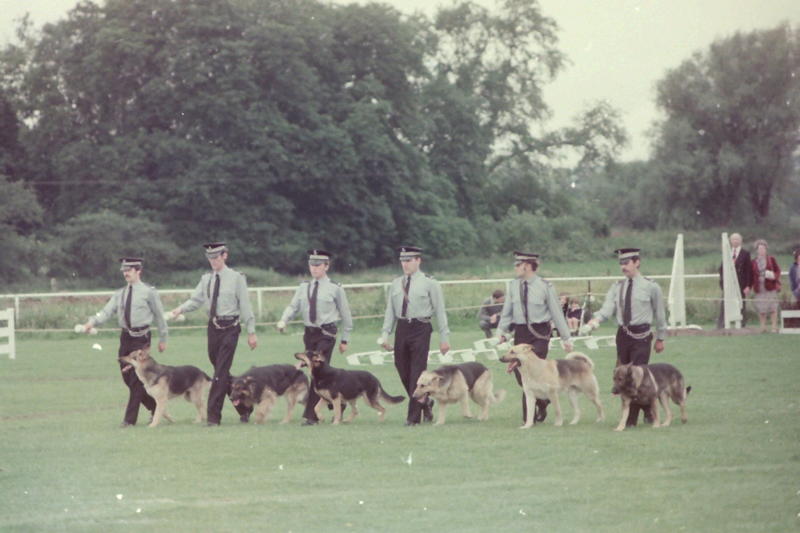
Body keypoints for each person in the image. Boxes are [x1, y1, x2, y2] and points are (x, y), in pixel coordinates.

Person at [170, 242, 257, 426]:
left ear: (225, 256)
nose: (213, 261)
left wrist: (251, 332)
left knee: (219, 374)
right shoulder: (206, 279)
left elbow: (245, 306)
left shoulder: (236, 278)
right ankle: (244, 406)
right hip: (213, 328)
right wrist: (180, 309)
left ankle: (213, 417)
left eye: (216, 257)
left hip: (231, 328)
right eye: (209, 258)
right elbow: (196, 300)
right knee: (221, 373)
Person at [584, 248, 667, 427]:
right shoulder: (617, 287)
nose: (623, 267)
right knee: (623, 374)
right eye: (621, 263)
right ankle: (647, 410)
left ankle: (631, 418)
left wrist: (661, 337)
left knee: (636, 375)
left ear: (637, 262)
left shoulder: (651, 286)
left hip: (642, 335)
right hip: (623, 335)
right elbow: (607, 309)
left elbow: (660, 314)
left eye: (626, 263)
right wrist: (594, 321)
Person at [82, 257, 168, 427]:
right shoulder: (120, 294)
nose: (125, 273)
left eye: (129, 270)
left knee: (136, 380)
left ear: (138, 271)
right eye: (124, 271)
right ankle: (154, 408)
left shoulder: (148, 292)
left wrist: (163, 338)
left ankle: (129, 420)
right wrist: (92, 321)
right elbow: (106, 312)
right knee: (127, 379)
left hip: (141, 338)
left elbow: (159, 316)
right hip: (126, 338)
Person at [277, 249, 354, 426]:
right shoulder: (304, 287)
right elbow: (293, 306)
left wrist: (345, 339)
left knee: (315, 370)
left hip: (327, 333)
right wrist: (284, 320)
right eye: (312, 265)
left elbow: (346, 314)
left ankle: (311, 416)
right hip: (309, 333)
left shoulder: (335, 288)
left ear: (327, 266)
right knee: (321, 374)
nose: (314, 268)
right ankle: (337, 403)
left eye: (318, 265)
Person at [496, 251, 574, 424]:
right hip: (521, 332)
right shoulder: (513, 285)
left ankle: (528, 418)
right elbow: (507, 311)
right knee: (520, 375)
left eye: (518, 264)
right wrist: (501, 331)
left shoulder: (545, 286)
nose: (515, 268)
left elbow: (556, 312)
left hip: (540, 334)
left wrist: (566, 337)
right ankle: (543, 401)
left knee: (534, 370)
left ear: (528, 265)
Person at [378, 246, 450, 426]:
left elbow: (440, 311)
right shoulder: (396, 283)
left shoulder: (430, 283)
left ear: (418, 261)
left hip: (421, 326)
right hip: (402, 327)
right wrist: (385, 334)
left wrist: (444, 337)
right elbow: (390, 311)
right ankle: (424, 400)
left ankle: (413, 418)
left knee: (417, 371)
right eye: (403, 260)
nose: (405, 264)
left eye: (409, 260)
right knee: (402, 368)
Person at [717, 232, 753, 328]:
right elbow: (721, 268)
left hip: (741, 284)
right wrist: (722, 282)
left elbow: (749, 270)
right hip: (728, 284)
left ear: (741, 241)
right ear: (730, 241)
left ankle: (742, 325)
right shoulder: (727, 252)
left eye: (737, 239)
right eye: (733, 239)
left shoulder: (745, 254)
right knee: (724, 303)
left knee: (741, 304)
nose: (735, 241)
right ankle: (721, 324)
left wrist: (748, 285)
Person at [749, 239, 781, 333]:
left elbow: (778, 271)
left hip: (770, 287)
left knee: (773, 307)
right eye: (760, 249)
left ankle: (774, 327)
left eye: (763, 248)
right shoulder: (753, 262)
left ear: (766, 249)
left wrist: (773, 275)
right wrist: (750, 287)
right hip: (759, 288)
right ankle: (763, 327)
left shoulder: (771, 259)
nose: (762, 250)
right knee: (761, 308)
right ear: (757, 250)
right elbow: (751, 276)